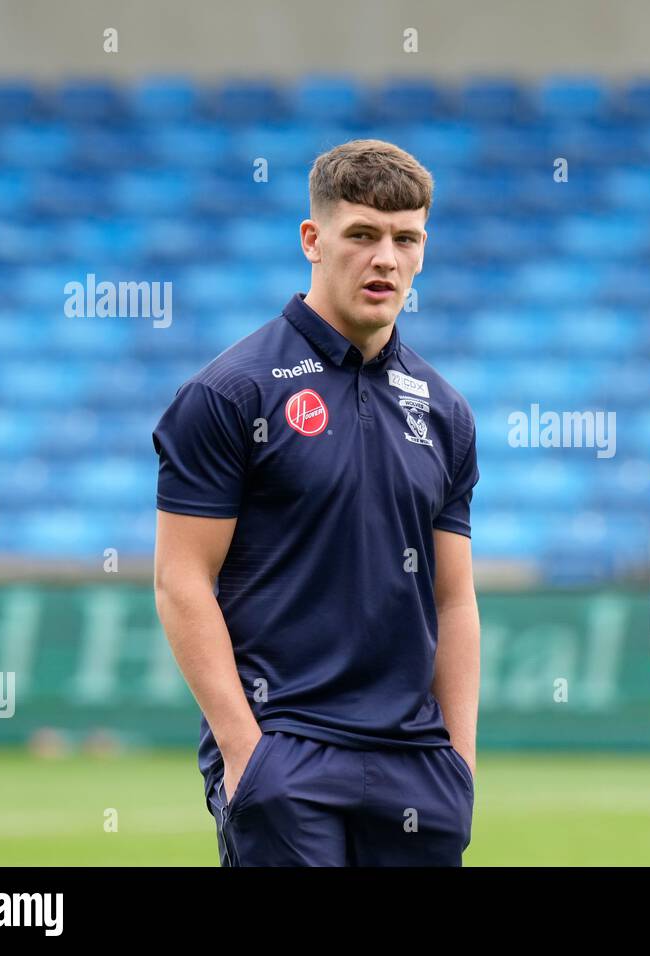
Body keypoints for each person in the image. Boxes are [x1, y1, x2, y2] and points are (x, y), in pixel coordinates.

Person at [152, 140, 480, 866]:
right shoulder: (231, 393)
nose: (385, 259)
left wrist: (460, 763)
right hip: (286, 752)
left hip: (415, 764)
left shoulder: (446, 411)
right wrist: (246, 755)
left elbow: (453, 598)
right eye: (362, 235)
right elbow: (181, 581)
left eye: (406, 239)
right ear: (313, 239)